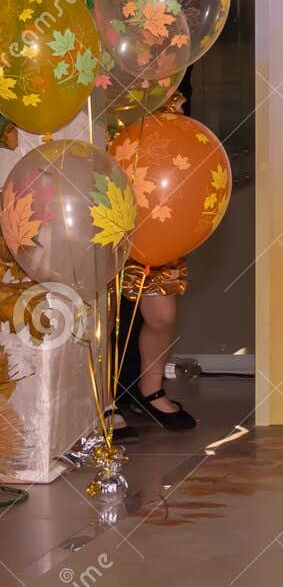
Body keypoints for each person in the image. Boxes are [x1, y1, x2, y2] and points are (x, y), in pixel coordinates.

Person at [114, 82, 196, 431]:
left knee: (161, 315)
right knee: (100, 312)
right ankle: (100, 400)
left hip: (155, 209)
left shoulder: (170, 81)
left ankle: (150, 390)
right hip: (103, 196)